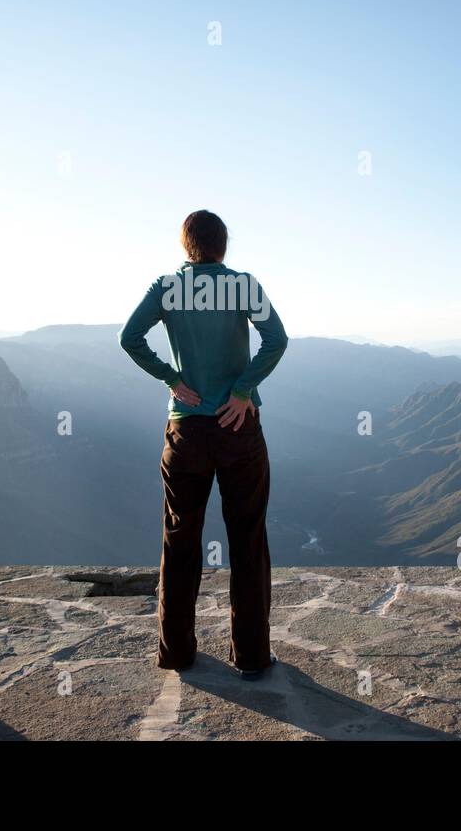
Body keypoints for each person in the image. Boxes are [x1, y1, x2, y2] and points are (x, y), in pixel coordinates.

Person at [118, 210, 288, 679]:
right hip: (238, 428)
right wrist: (241, 391)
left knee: (179, 541)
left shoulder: (167, 287)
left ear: (186, 245)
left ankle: (176, 651)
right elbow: (276, 340)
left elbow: (129, 338)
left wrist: (171, 378)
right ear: (223, 245)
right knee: (248, 540)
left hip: (187, 430)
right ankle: (252, 656)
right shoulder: (243, 285)